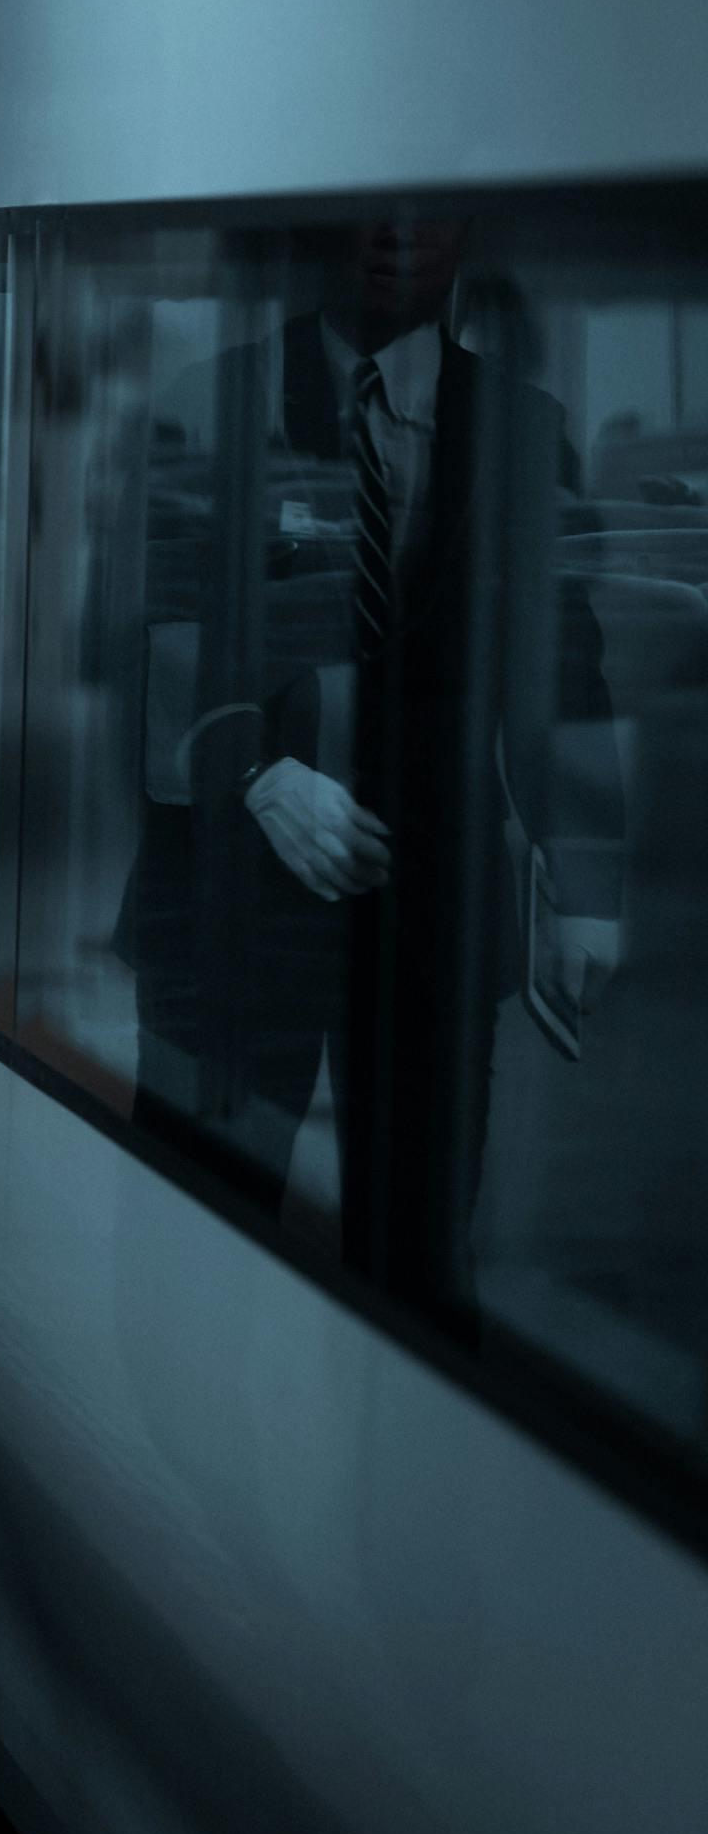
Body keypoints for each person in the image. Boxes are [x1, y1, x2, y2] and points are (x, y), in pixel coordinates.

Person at [116, 219, 621, 1329]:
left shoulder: (521, 428)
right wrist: (254, 773)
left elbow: (564, 665)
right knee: (197, 1248)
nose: (398, 238)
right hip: (230, 912)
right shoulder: (217, 400)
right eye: (372, 213)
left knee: (416, 1266)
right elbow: (148, 633)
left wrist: (586, 884)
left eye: (431, 215)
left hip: (430, 923)